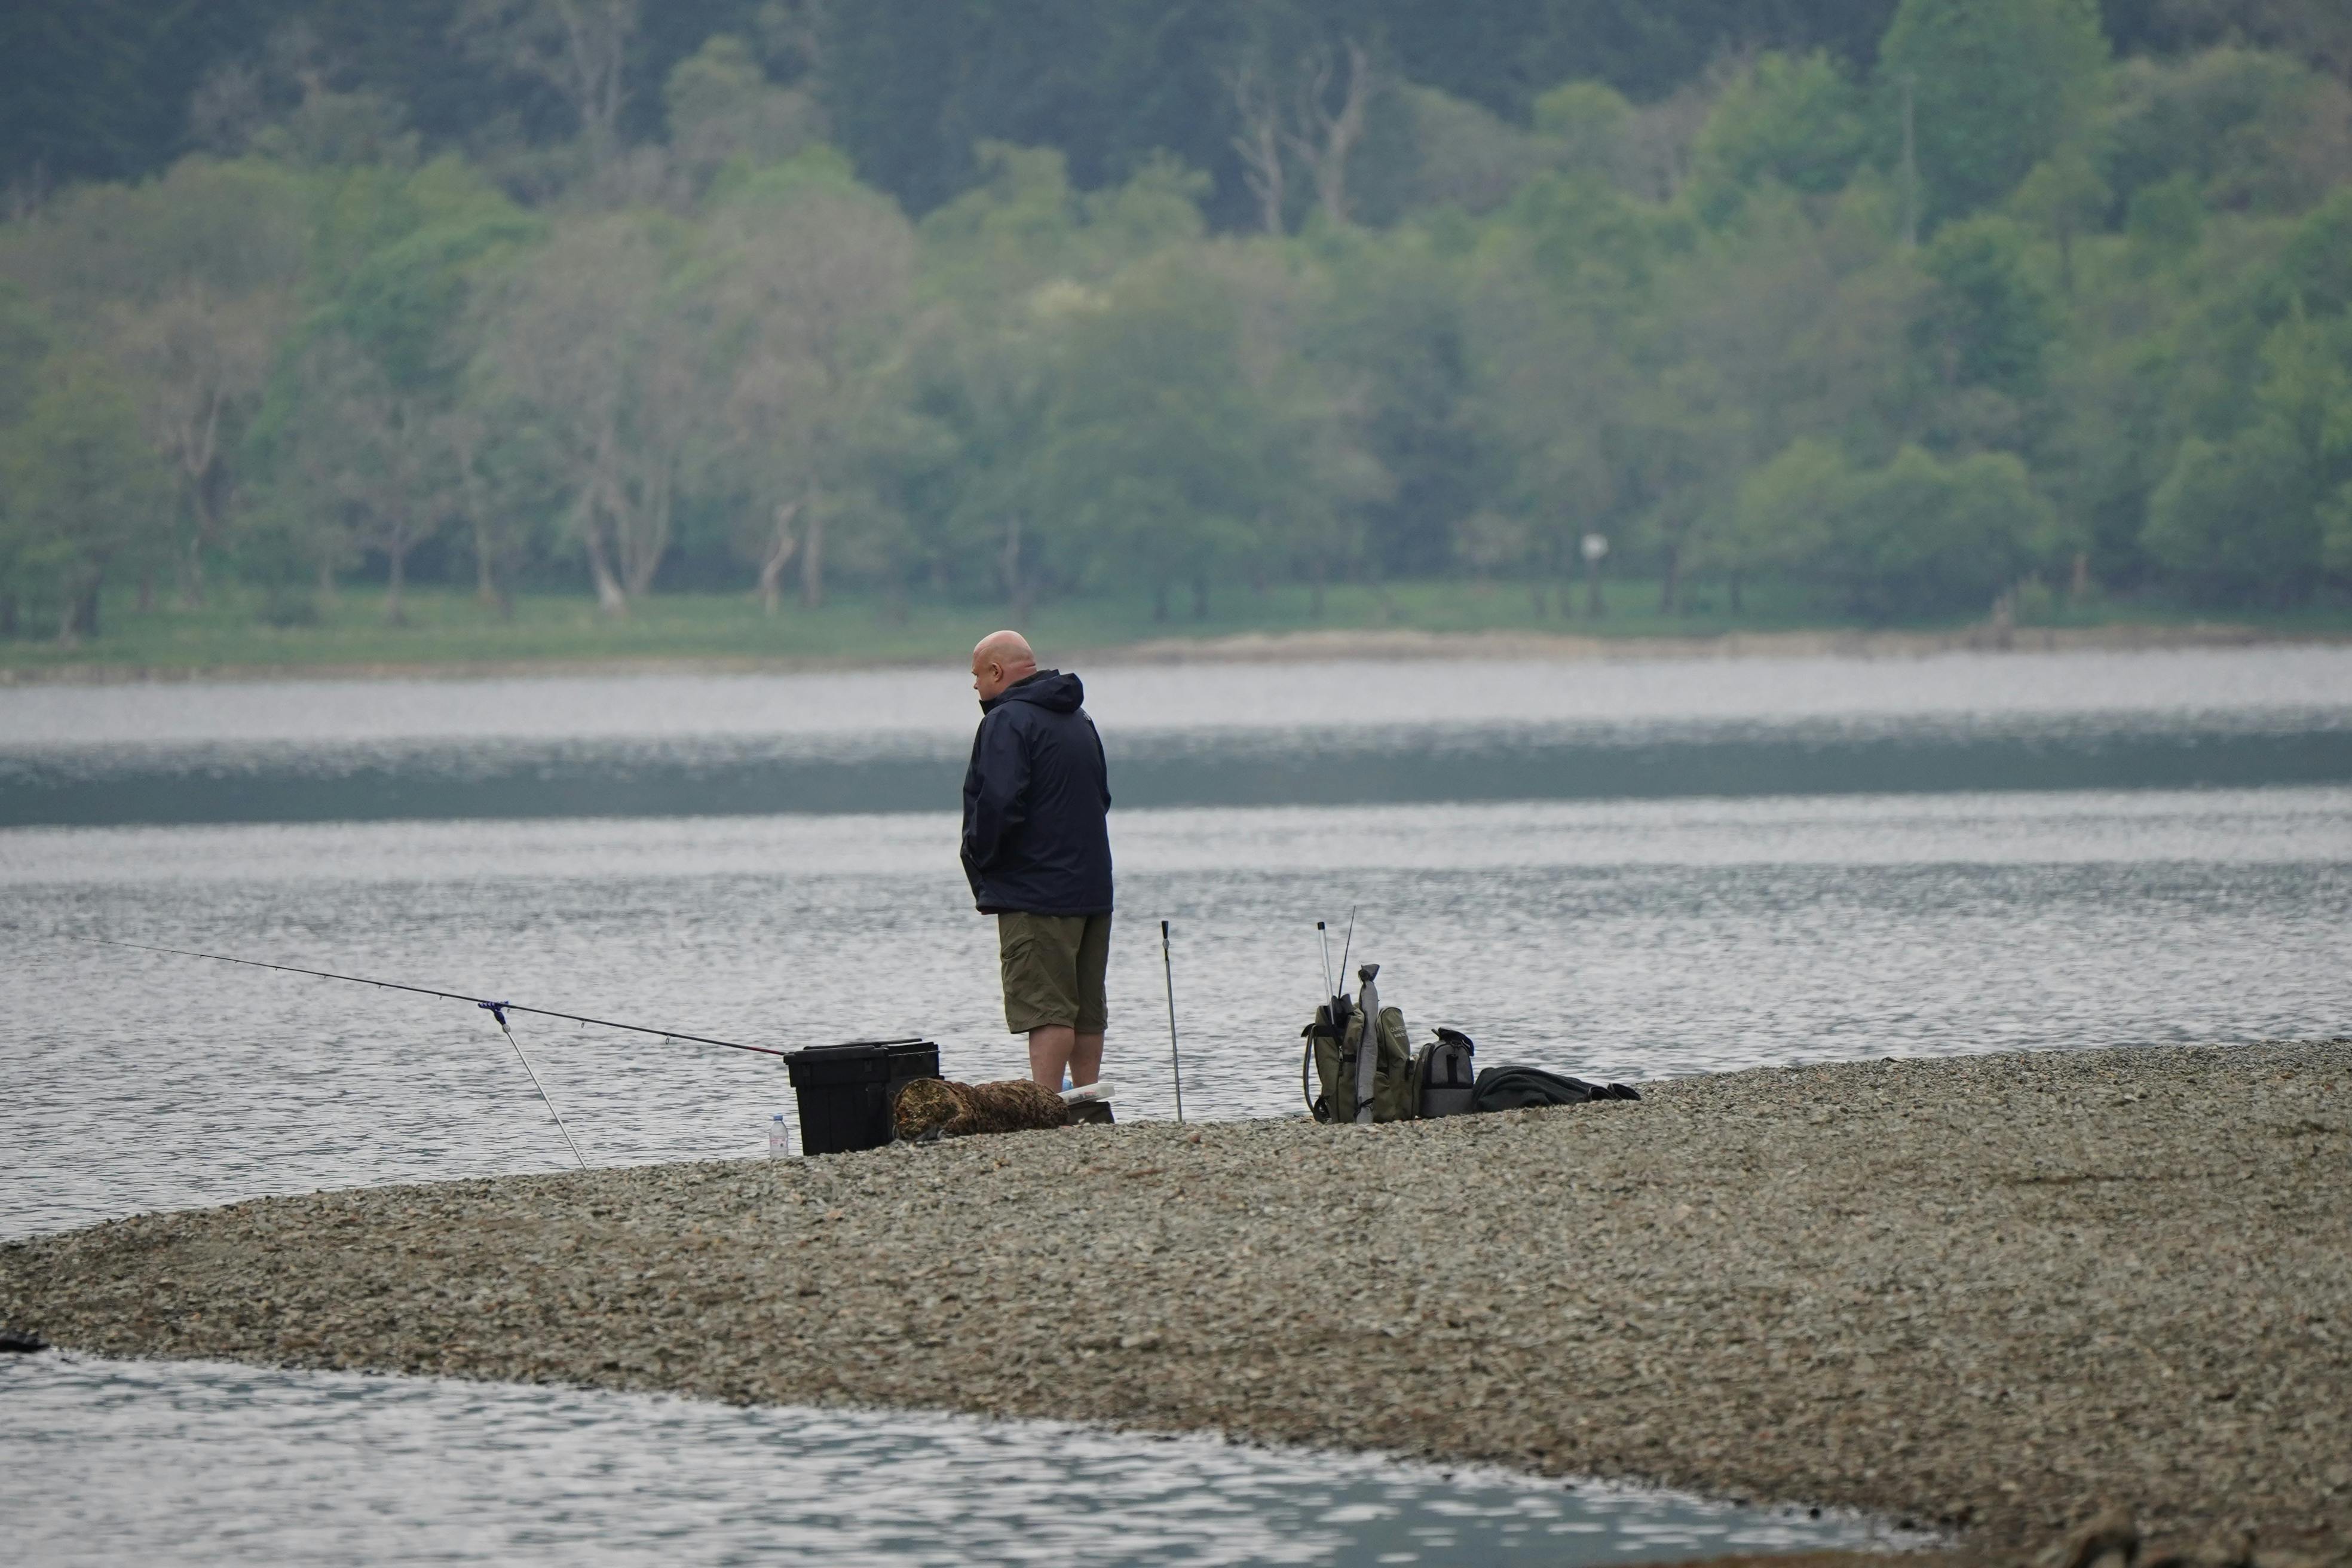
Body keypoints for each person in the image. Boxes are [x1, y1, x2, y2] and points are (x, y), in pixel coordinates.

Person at [961, 630, 1114, 1093]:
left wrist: (981, 859)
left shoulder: (1007, 721)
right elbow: (1101, 798)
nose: (974, 687)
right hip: (1091, 890)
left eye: (976, 675)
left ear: (997, 671)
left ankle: (1047, 1107)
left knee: (1046, 1009)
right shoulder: (1078, 718)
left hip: (1035, 894)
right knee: (1086, 1010)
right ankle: (1087, 1104)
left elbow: (999, 804)